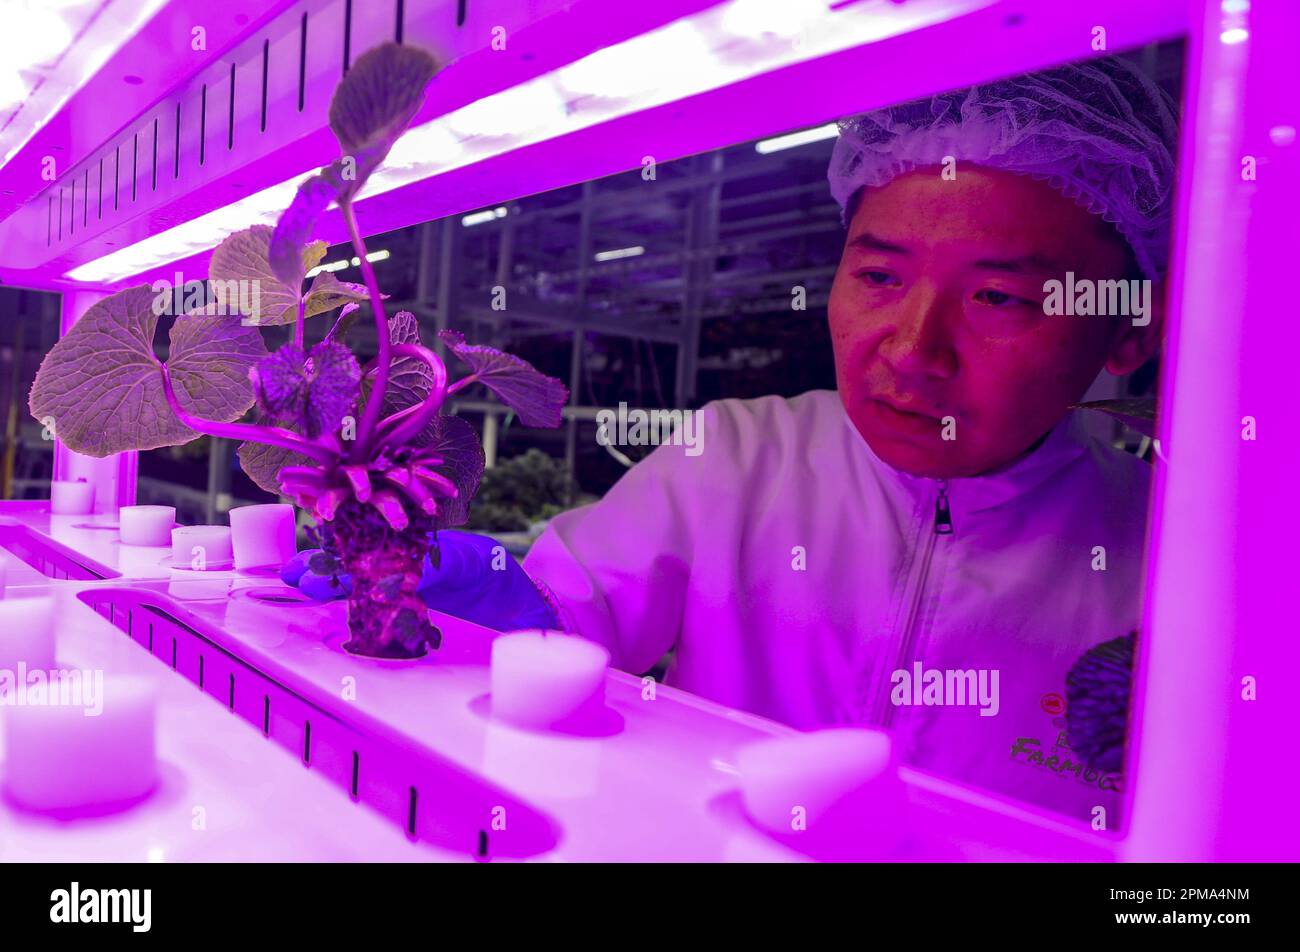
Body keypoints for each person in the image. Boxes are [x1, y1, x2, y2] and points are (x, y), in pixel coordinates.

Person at [291, 56, 1178, 824]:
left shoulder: (1176, 564)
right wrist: (479, 598)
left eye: (1000, 298)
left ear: (1131, 326)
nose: (913, 350)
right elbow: (570, 613)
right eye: (877, 275)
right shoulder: (741, 458)